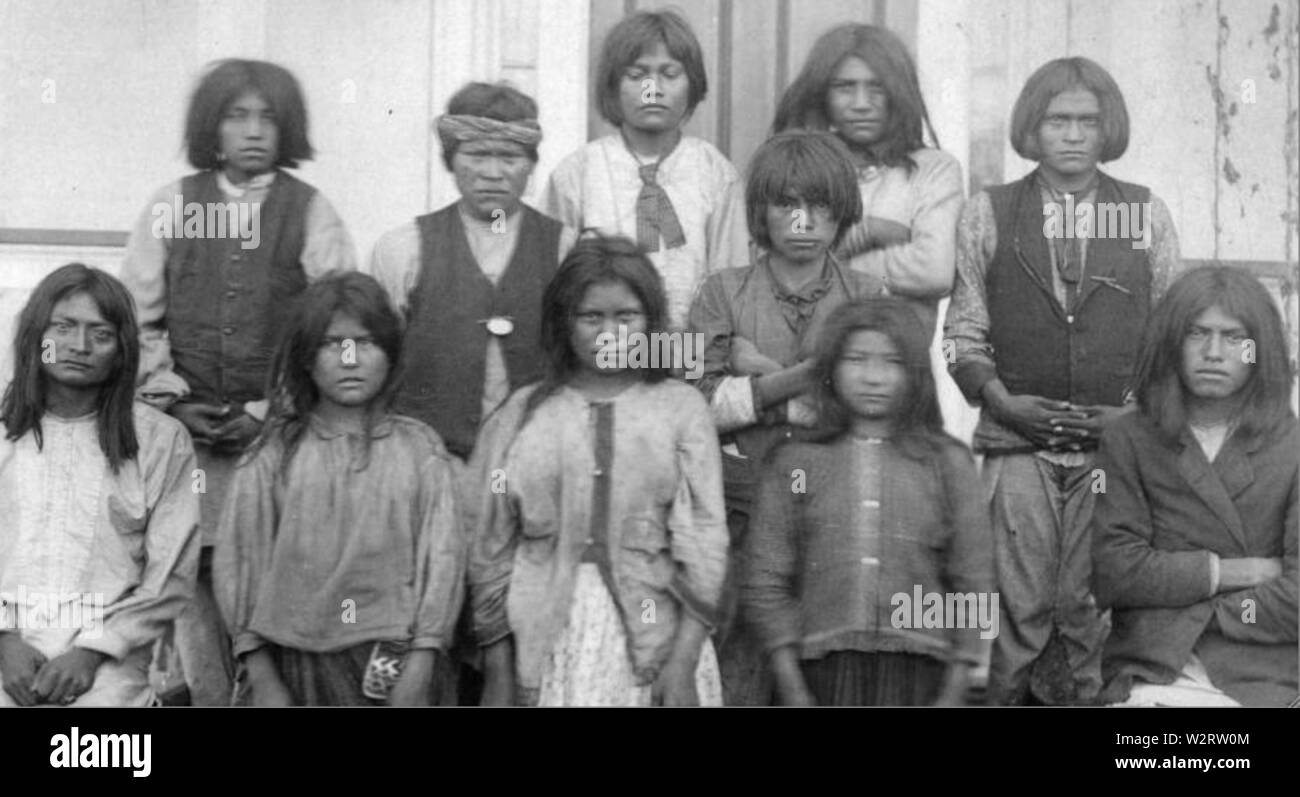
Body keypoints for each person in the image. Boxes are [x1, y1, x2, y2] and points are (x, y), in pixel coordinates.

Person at [943, 56, 1182, 705]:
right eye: (1057, 120)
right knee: (1014, 605)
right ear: (1032, 127)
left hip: (1115, 450)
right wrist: (1002, 400)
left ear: (1108, 130)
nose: (1073, 135)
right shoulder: (989, 212)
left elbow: (1170, 336)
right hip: (1019, 446)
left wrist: (1131, 418)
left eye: (1087, 121)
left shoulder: (1143, 214)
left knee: (1089, 606)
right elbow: (964, 331)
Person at [119, 58, 358, 705]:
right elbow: (136, 320)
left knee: (270, 580)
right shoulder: (175, 206)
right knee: (193, 581)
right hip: (187, 443)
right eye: (237, 115)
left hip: (281, 439)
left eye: (268, 117)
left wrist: (267, 407)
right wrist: (172, 400)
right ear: (212, 127)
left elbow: (336, 330)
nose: (253, 130)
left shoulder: (309, 213)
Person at [468, 235, 729, 707]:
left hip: (658, 639)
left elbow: (706, 542)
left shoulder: (680, 409)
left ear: (650, 321)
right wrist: (498, 671)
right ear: (563, 323)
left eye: (626, 316)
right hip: (548, 640)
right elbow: (490, 544)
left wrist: (684, 662)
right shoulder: (521, 415)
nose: (609, 333)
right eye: (591, 317)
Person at [688, 129, 884, 704]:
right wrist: (805, 376)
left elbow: (876, 406)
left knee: (829, 671)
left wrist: (756, 380)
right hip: (740, 513)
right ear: (760, 212)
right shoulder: (721, 293)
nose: (803, 222)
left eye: (820, 206)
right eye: (787, 205)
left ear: (842, 211)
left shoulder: (869, 293)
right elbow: (697, 406)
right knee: (739, 665)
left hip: (840, 512)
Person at [214, 272, 465, 706]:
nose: (349, 359)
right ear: (307, 358)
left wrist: (422, 661)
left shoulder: (419, 450)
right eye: (333, 344)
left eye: (365, 343)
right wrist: (263, 676)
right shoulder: (273, 454)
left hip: (395, 659)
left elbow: (442, 563)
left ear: (390, 353)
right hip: (292, 664)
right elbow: (241, 564)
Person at [743, 298, 993, 706]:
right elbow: (765, 580)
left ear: (914, 373)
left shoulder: (947, 463)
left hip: (923, 674)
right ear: (830, 370)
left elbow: (974, 579)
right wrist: (791, 685)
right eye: (856, 359)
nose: (873, 377)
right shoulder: (796, 463)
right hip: (818, 674)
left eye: (892, 362)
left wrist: (954, 691)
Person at [1092, 266, 1297, 708]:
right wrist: (1228, 574)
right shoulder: (1127, 439)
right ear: (1170, 343)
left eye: (1234, 336)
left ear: (1259, 350)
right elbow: (1113, 571)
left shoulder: (1293, 448)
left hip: (1262, 677)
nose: (1214, 352)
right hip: (1152, 668)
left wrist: (1186, 609)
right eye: (1196, 333)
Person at [0, 264, 199, 707]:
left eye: (101, 333)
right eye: (64, 327)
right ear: (36, 337)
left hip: (109, 663)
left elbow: (170, 575)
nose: (79, 346)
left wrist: (92, 652)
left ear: (122, 350)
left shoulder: (160, 441)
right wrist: (5, 642)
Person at [370, 81, 574, 465]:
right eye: (477, 155)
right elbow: (377, 359)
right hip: (429, 462)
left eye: (509, 156)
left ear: (531, 164)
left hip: (537, 461)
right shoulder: (403, 249)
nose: (492, 172)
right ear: (450, 160)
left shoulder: (566, 250)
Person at [543, 9, 749, 330]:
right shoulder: (577, 174)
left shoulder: (715, 173)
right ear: (612, 86)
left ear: (692, 85)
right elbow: (556, 278)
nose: (653, 89)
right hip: (605, 350)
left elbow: (731, 278)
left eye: (669, 73)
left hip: (689, 353)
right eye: (637, 75)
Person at [773, 23, 962, 336]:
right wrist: (874, 231)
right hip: (804, 357)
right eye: (845, 87)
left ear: (898, 92)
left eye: (877, 87)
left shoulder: (933, 170)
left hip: (896, 363)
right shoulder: (797, 168)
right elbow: (780, 270)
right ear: (822, 94)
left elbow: (934, 270)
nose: (861, 103)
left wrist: (842, 255)